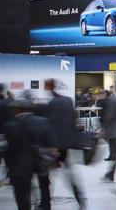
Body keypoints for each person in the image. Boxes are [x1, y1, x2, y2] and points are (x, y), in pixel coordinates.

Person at [0, 96, 56, 210]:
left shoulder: (8, 125)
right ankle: (46, 205)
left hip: (19, 163)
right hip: (40, 160)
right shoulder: (43, 121)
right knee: (44, 184)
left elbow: (6, 148)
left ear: (17, 110)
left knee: (22, 190)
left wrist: (8, 164)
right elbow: (51, 142)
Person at [35, 79, 84, 210]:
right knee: (69, 174)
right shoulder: (68, 101)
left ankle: (45, 204)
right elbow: (74, 120)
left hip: (55, 146)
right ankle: (80, 198)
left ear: (48, 86)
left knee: (44, 175)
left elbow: (51, 126)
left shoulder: (51, 104)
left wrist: (51, 146)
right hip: (66, 144)